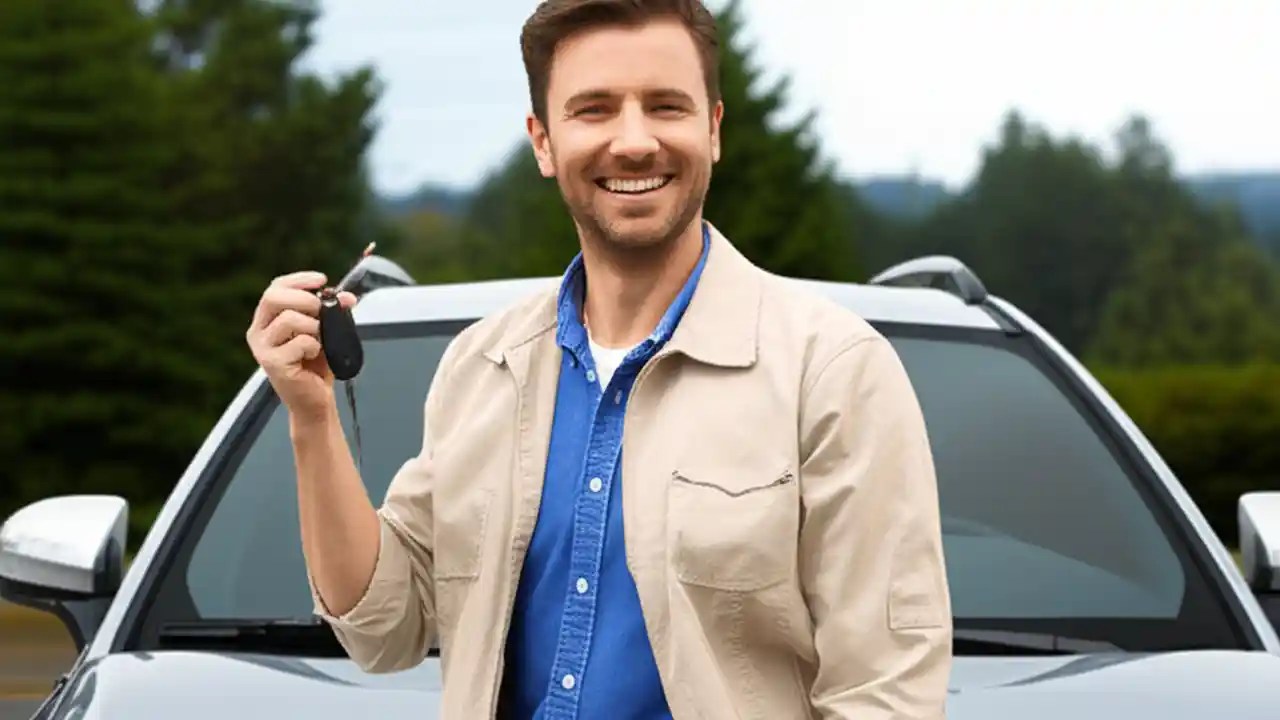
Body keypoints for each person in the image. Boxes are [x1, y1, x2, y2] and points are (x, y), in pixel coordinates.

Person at [245, 0, 952, 717]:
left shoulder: (833, 371)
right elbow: (381, 630)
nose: (635, 141)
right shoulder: (479, 368)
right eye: (595, 110)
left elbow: (884, 695)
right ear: (544, 142)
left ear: (713, 131)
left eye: (666, 106)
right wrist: (311, 417)